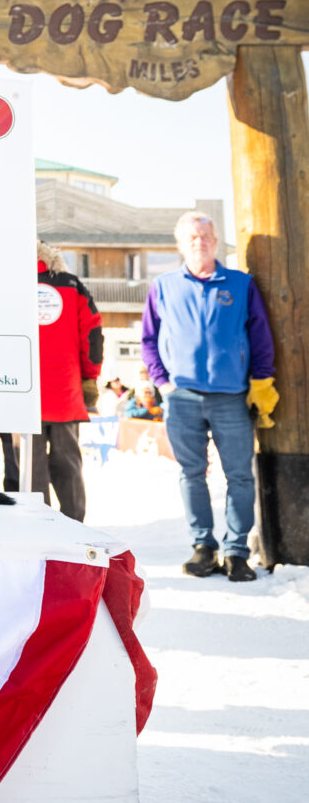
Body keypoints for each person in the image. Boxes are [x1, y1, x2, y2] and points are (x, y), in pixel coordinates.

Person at [142, 211, 276, 583]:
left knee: (240, 476)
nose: (199, 242)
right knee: (191, 474)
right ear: (180, 244)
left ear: (216, 242)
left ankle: (236, 553)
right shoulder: (163, 286)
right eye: (192, 237)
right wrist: (162, 381)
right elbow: (149, 339)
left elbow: (260, 336)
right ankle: (203, 547)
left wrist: (261, 381)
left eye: (205, 236)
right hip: (182, 396)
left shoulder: (241, 284)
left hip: (231, 396)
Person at [33, 241, 103, 522]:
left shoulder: (11, 284)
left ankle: (37, 526)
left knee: (30, 468)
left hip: (24, 395)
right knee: (68, 464)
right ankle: (74, 525)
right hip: (65, 391)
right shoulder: (72, 285)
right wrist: (90, 377)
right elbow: (92, 335)